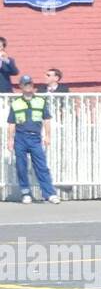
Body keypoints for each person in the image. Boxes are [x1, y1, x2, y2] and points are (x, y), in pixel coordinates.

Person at [5, 75, 59, 203]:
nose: (28, 86)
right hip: (20, 138)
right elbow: (11, 123)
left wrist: (47, 136)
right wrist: (10, 140)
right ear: (21, 87)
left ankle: (49, 194)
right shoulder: (16, 103)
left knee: (41, 166)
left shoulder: (40, 101)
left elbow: (46, 120)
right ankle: (25, 193)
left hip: (35, 138)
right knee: (21, 166)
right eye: (25, 84)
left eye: (30, 84)